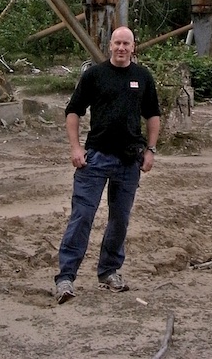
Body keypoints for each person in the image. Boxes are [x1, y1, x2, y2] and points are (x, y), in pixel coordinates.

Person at [54, 26, 161, 303]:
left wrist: (150, 150)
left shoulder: (143, 77)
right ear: (110, 46)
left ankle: (109, 271)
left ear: (134, 47)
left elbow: (152, 115)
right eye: (117, 43)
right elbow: (73, 111)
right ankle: (66, 278)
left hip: (129, 160)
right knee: (82, 217)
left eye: (127, 43)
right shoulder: (94, 75)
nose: (122, 48)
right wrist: (76, 148)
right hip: (96, 158)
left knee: (120, 220)